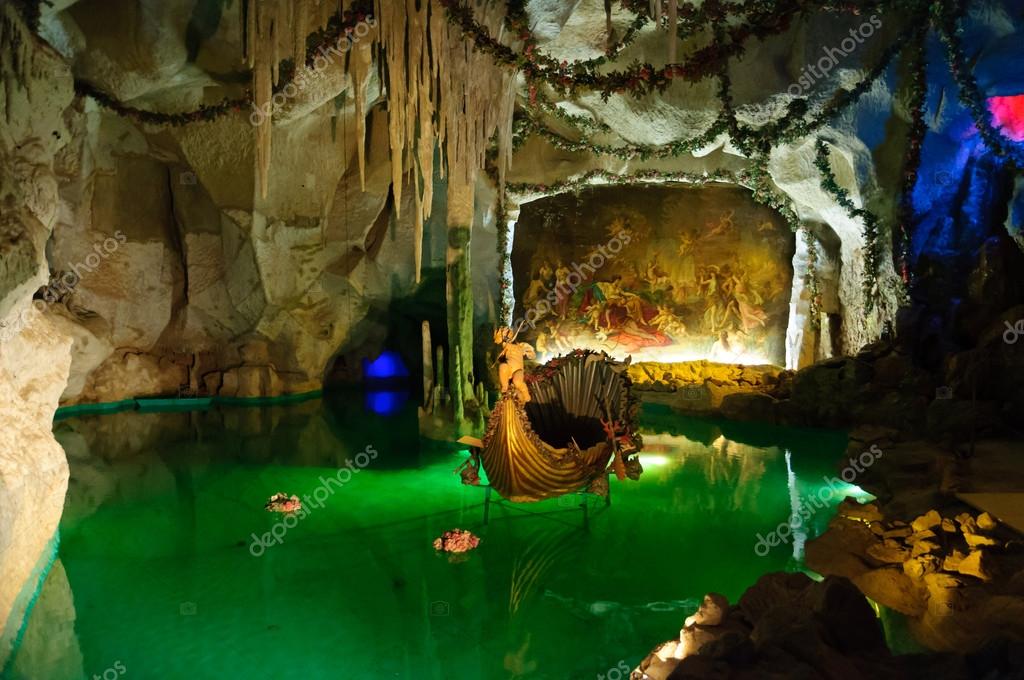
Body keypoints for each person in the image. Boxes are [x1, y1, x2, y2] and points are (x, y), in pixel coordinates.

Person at [494, 326, 535, 402]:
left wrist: (528, 353)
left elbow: (532, 354)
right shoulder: (506, 346)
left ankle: (526, 394)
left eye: (508, 334)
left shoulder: (520, 346)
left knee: (517, 381)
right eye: (506, 335)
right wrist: (501, 336)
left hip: (518, 370)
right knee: (503, 367)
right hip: (509, 369)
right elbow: (499, 341)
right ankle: (505, 386)